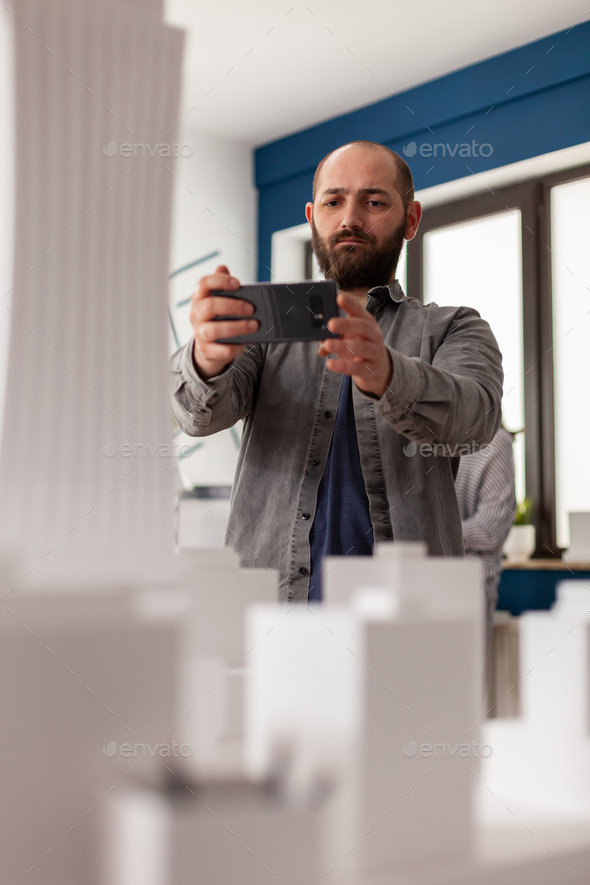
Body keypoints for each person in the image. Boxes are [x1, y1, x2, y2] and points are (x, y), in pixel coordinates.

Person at [170, 141, 504, 602]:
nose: (350, 218)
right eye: (333, 201)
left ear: (410, 219)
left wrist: (388, 372)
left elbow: (476, 417)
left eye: (374, 201)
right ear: (312, 217)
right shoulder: (263, 328)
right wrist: (207, 358)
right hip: (270, 619)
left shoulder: (454, 327)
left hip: (408, 623)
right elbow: (196, 416)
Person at [455, 426, 517, 638]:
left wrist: (433, 533)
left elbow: (491, 530)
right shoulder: (420, 436)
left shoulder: (495, 442)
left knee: (466, 670)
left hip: (470, 586)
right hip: (418, 581)